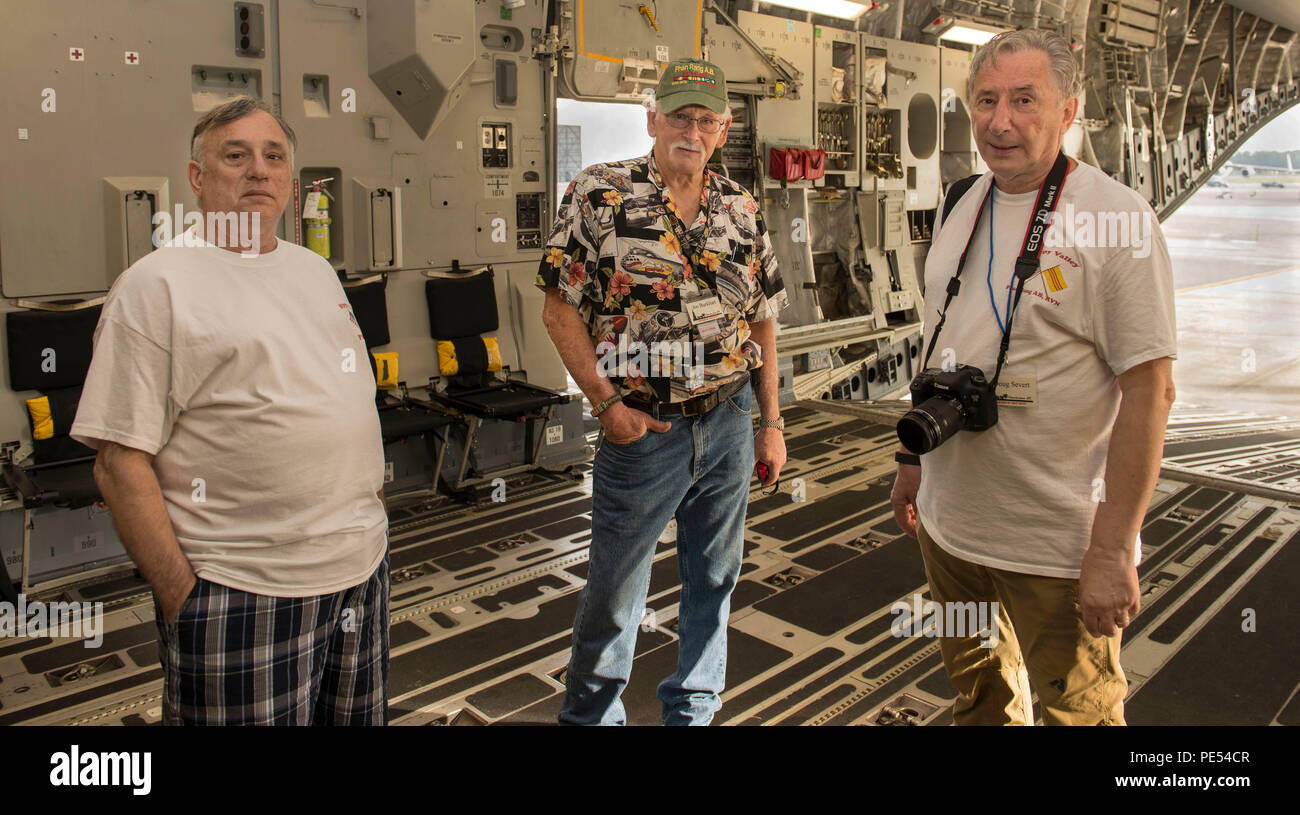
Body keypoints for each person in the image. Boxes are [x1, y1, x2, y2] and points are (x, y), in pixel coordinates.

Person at [71, 97, 390, 725]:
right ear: (197, 177)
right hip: (241, 587)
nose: (258, 170)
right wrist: (179, 595)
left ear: (292, 184)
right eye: (235, 155)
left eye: (274, 157)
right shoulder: (156, 287)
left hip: (359, 572)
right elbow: (118, 461)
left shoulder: (315, 271)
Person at [890, 30, 1177, 725]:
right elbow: (939, 343)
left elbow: (1151, 392)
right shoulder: (963, 201)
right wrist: (910, 460)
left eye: (1025, 99)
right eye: (986, 100)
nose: (1001, 120)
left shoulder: (1117, 220)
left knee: (1079, 713)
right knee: (982, 700)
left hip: (1056, 546)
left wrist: (1112, 548)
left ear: (1068, 110)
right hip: (952, 532)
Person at [538, 59, 788, 725]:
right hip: (643, 429)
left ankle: (694, 711)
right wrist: (605, 404)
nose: (692, 129)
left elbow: (763, 315)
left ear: (724, 129)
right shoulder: (598, 195)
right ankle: (591, 716)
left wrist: (772, 421)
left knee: (714, 578)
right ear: (652, 118)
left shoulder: (740, 207)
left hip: (730, 418)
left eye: (706, 119)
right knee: (616, 592)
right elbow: (559, 310)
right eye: (680, 115)